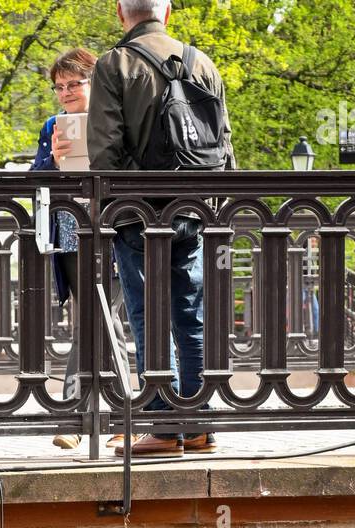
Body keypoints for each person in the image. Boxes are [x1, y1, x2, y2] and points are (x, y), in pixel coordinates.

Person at [87, 0, 235, 458]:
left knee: (148, 314)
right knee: (190, 312)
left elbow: (106, 148)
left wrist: (108, 207)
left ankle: (164, 426)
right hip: (192, 208)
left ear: (120, 13)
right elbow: (224, 141)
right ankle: (199, 423)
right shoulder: (202, 62)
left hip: (139, 211)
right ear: (166, 13)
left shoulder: (116, 63)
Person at [31, 48, 128, 451]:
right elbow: (33, 181)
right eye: (60, 86)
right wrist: (52, 162)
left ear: (95, 82)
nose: (67, 92)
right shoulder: (53, 125)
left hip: (116, 234)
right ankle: (123, 418)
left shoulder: (118, 120)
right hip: (71, 238)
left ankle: (81, 417)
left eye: (75, 83)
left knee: (103, 322)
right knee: (96, 322)